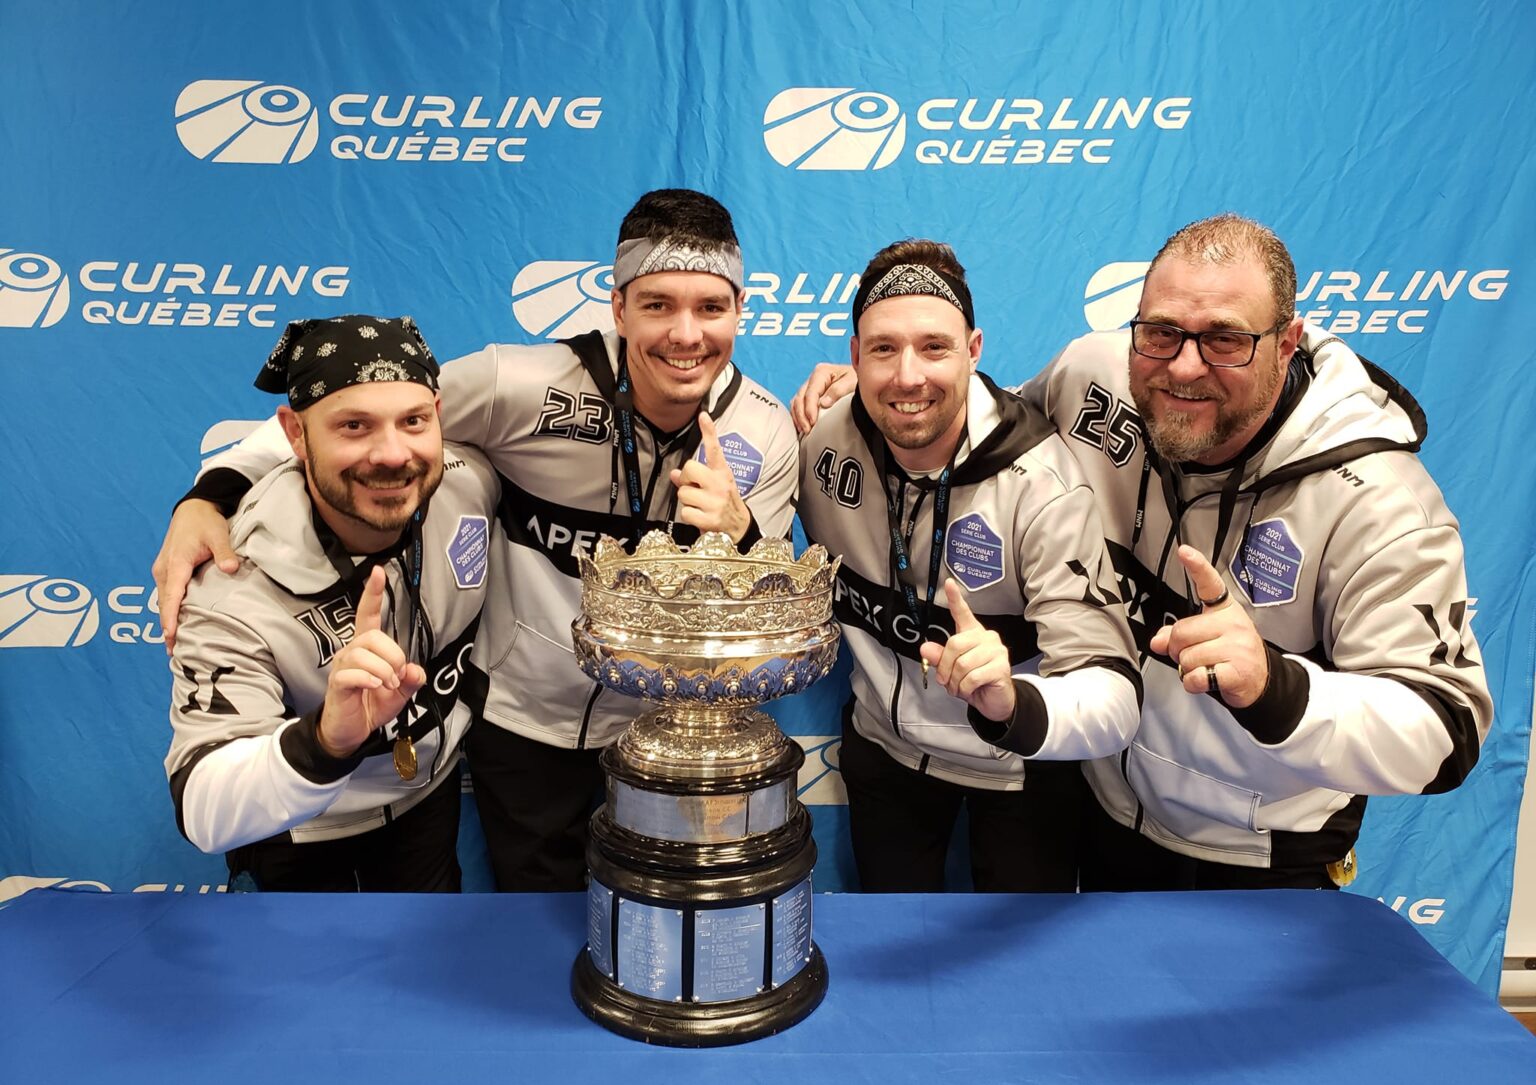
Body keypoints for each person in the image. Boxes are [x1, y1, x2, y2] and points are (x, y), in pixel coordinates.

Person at [792, 215, 1492, 890]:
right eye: (1160, 333)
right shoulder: (1093, 375)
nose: (1183, 367)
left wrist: (1277, 688)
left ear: (1287, 344)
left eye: (1225, 339)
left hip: (1262, 853)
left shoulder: (1377, 499)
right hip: (1110, 812)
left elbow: (1446, 726)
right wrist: (883, 396)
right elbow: (988, 439)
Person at [154, 189, 798, 892]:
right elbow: (361, 415)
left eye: (710, 307)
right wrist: (209, 495)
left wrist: (742, 537)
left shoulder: (764, 429)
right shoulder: (518, 384)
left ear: (741, 308)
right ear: (618, 308)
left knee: (661, 921)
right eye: (657, 305)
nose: (685, 334)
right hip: (525, 726)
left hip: (670, 729)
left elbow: (768, 607)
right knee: (533, 930)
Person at [797, 239, 1140, 892]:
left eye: (934, 347)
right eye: (883, 349)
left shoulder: (1042, 480)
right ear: (853, 357)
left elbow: (1114, 694)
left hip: (1020, 770)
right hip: (884, 752)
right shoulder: (823, 441)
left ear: (974, 350)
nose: (907, 376)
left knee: (1015, 983)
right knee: (891, 954)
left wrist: (1014, 702)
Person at [166, 315, 500, 892]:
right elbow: (202, 808)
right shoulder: (230, 586)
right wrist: (326, 741)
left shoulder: (467, 481)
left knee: (429, 968)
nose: (393, 454)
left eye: (413, 421)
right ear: (294, 435)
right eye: (354, 426)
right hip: (301, 831)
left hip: (427, 794)